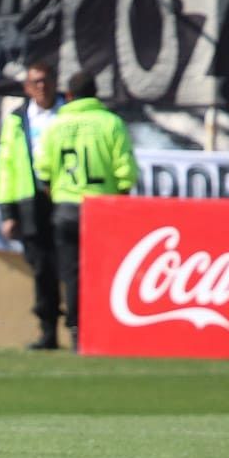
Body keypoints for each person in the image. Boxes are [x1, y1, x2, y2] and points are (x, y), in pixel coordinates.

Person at [34, 71, 138, 352]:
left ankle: (78, 332)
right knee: (105, 273)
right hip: (103, 208)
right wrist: (119, 201)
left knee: (72, 275)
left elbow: (43, 171)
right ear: (96, 94)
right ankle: (104, 330)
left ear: (69, 96)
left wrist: (59, 195)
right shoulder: (111, 123)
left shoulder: (56, 125)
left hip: (66, 208)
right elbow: (125, 173)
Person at [0, 61, 64, 350]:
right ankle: (48, 331)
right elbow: (7, 167)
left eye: (46, 80)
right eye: (35, 82)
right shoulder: (16, 119)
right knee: (41, 268)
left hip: (65, 197)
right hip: (30, 201)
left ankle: (80, 329)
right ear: (26, 88)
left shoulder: (69, 114)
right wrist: (8, 212)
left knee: (72, 267)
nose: (41, 86)